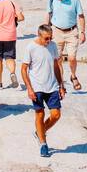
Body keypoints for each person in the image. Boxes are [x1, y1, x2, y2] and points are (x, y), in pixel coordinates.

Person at [21, 23, 66, 157]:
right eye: (46, 38)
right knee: (40, 115)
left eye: (50, 38)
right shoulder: (30, 47)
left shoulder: (52, 46)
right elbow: (23, 69)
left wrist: (61, 85)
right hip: (37, 87)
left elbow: (56, 66)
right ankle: (43, 143)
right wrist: (29, 88)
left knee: (56, 115)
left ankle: (40, 131)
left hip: (52, 86)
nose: (49, 41)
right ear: (39, 35)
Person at [46, 0, 85, 92]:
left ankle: (73, 76)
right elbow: (48, 14)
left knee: (72, 57)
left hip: (72, 32)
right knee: (57, 59)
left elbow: (81, 16)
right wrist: (45, 31)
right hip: (56, 31)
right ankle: (61, 83)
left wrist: (82, 32)